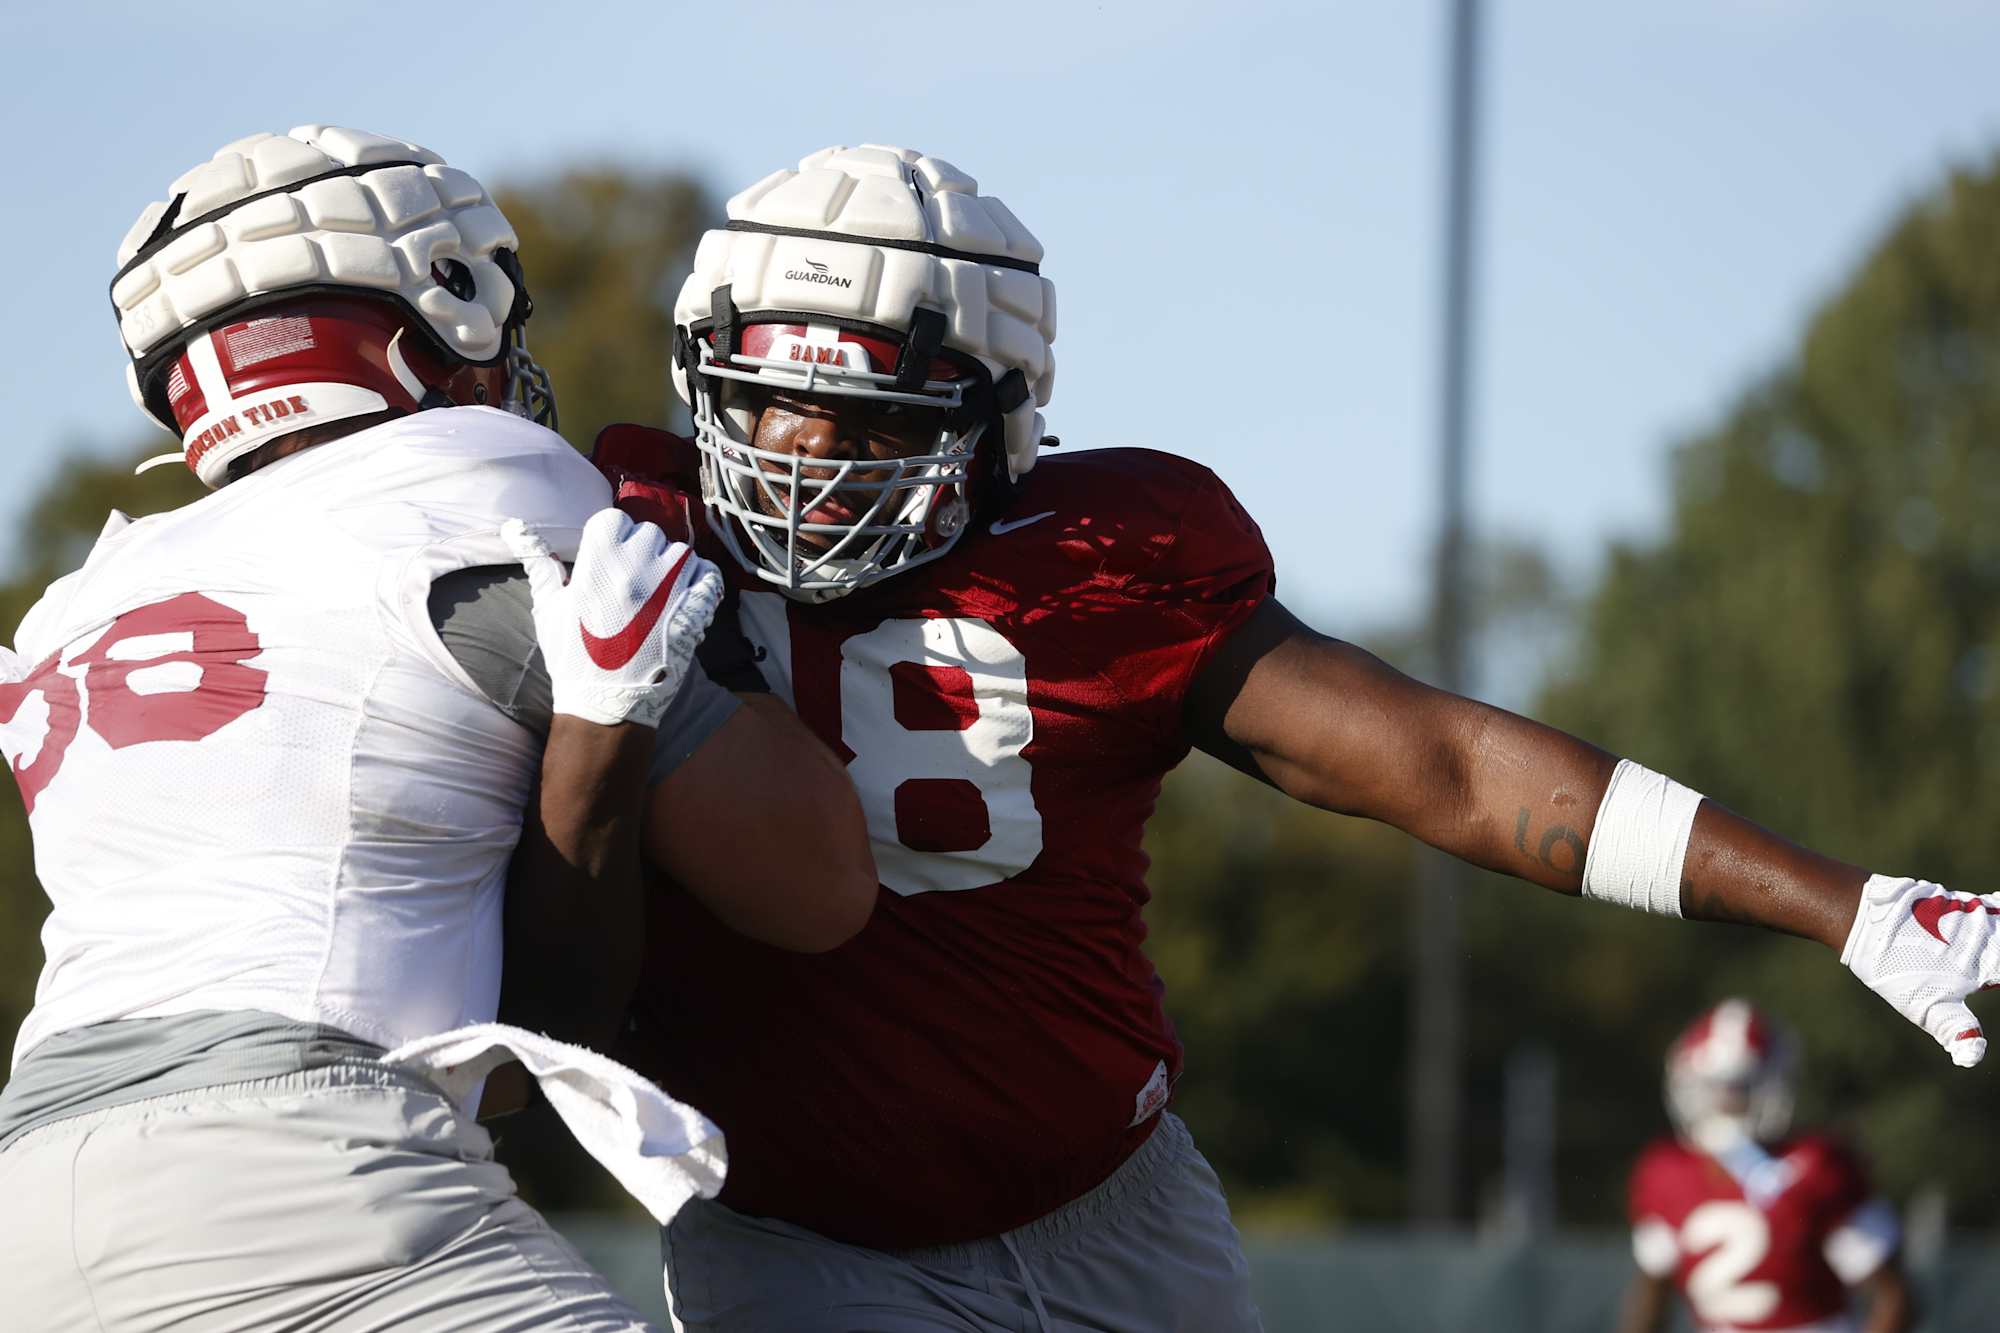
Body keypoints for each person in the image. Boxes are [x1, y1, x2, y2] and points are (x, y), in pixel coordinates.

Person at [604, 144, 1999, 1333]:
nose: (797, 454)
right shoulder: (609, 532)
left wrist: (1846, 907)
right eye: (762, 401)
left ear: (997, 420)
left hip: (1114, 1210)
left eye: (863, 418)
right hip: (798, 1237)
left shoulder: (1103, 561)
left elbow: (1444, 767)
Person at [0, 125, 870, 1332]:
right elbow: (814, 885)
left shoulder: (83, 601)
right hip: (300, 1167)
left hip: (32, 1186)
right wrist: (712, 658)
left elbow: (512, 1040)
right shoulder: (476, 510)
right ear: (442, 311)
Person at [1617, 1000, 1915, 1333]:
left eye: (1740, 1087)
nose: (1726, 1101)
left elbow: (1893, 1297)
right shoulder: (1666, 1171)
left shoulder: (1815, 1164)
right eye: (1714, 1086)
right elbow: (1652, 1294)